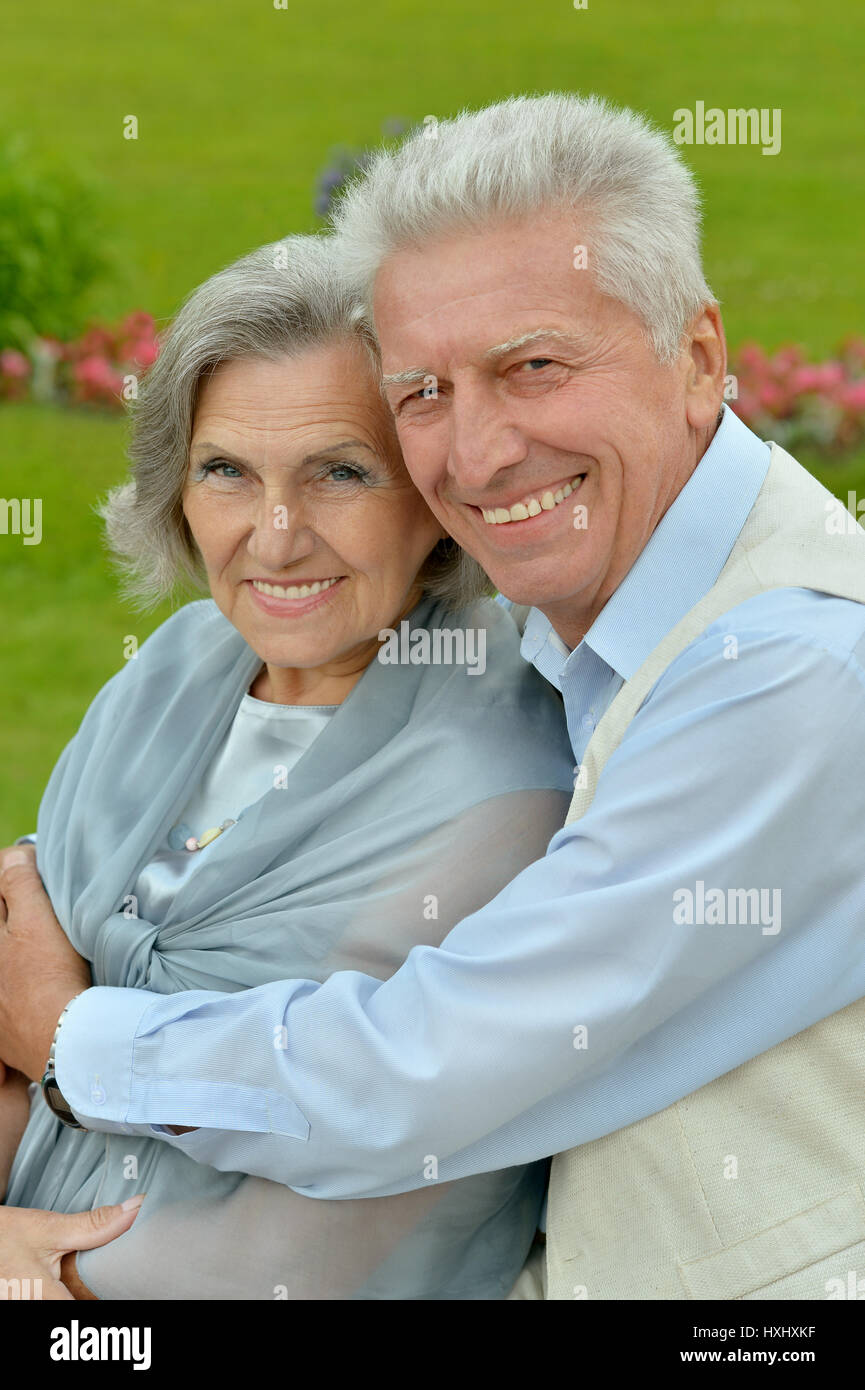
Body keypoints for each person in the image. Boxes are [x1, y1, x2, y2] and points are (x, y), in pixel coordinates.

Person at [3, 91, 865, 1300]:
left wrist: (65, 1035)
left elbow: (429, 1070)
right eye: (423, 393)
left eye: (534, 367)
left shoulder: (789, 676)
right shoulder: (568, 631)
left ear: (699, 358)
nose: (476, 454)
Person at [0, 235, 574, 1299]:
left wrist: (47, 1280)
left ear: (432, 492)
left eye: (339, 473)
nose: (274, 536)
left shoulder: (502, 783)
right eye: (227, 471)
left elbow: (374, 1200)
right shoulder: (177, 670)